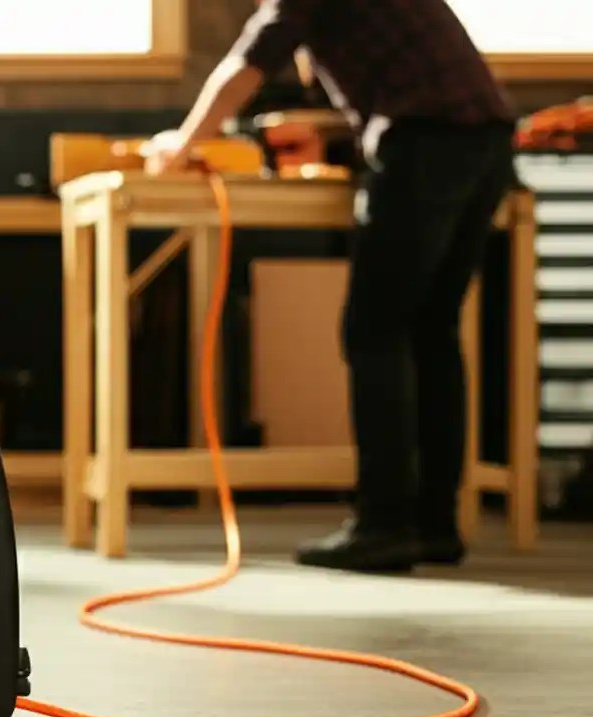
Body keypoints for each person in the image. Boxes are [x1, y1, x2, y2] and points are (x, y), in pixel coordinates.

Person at [143, 0, 518, 572]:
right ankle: (434, 526)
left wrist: (184, 143)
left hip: (423, 143)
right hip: (485, 142)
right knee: (431, 332)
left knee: (374, 331)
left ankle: (385, 525)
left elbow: (250, 60)